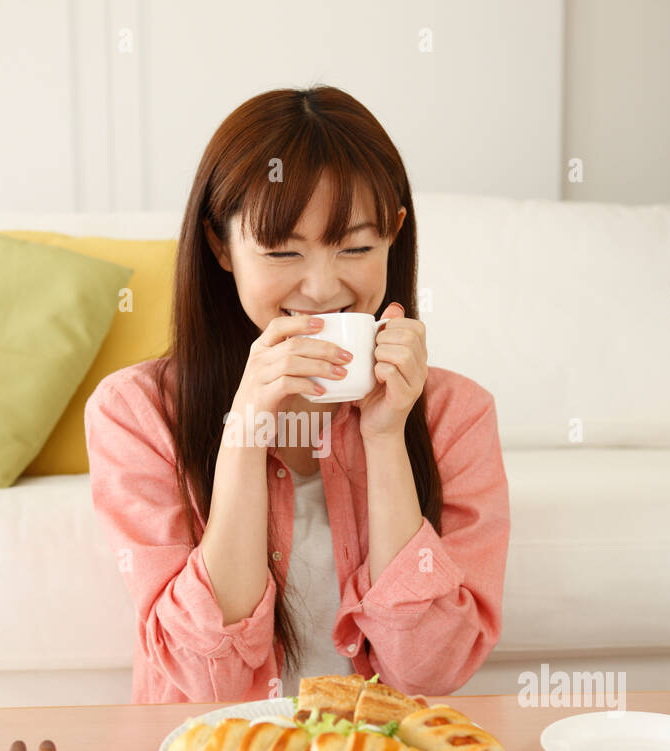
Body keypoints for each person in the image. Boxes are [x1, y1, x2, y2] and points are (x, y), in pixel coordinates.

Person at [84, 85, 510, 704]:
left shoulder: (458, 415)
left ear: (394, 234)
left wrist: (386, 437)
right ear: (219, 245)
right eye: (282, 250)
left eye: (357, 247)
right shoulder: (135, 413)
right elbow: (208, 683)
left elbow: (429, 671)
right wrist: (244, 437)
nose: (321, 286)